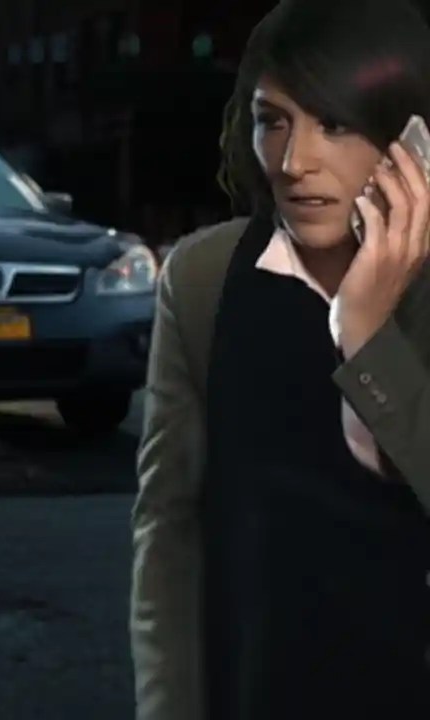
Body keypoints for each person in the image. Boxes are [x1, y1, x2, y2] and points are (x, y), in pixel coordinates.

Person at [130, 0, 430, 718]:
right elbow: (169, 529)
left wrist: (363, 332)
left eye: (333, 123)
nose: (294, 164)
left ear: (410, 139)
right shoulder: (206, 281)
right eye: (274, 121)